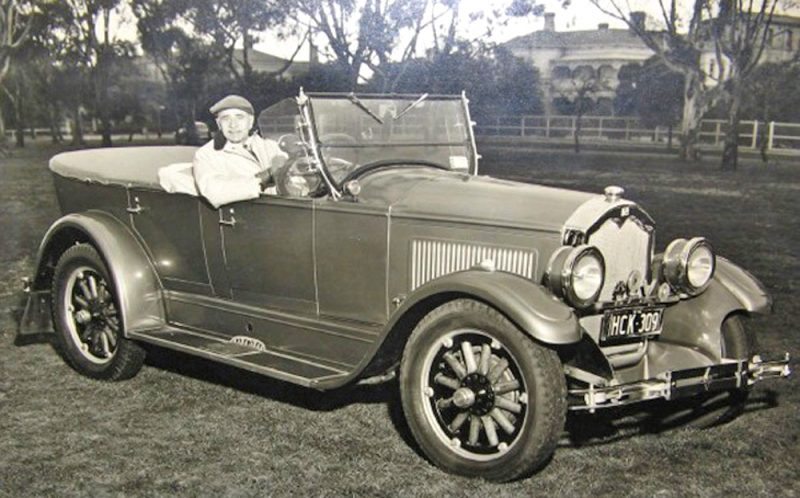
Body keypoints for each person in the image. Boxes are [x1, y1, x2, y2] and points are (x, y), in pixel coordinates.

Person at [193, 95, 287, 208]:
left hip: (281, 212)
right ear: (219, 124)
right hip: (243, 218)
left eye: (239, 117)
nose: (233, 125)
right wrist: (265, 176)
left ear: (251, 121)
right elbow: (213, 192)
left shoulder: (270, 146)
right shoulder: (207, 154)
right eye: (226, 118)